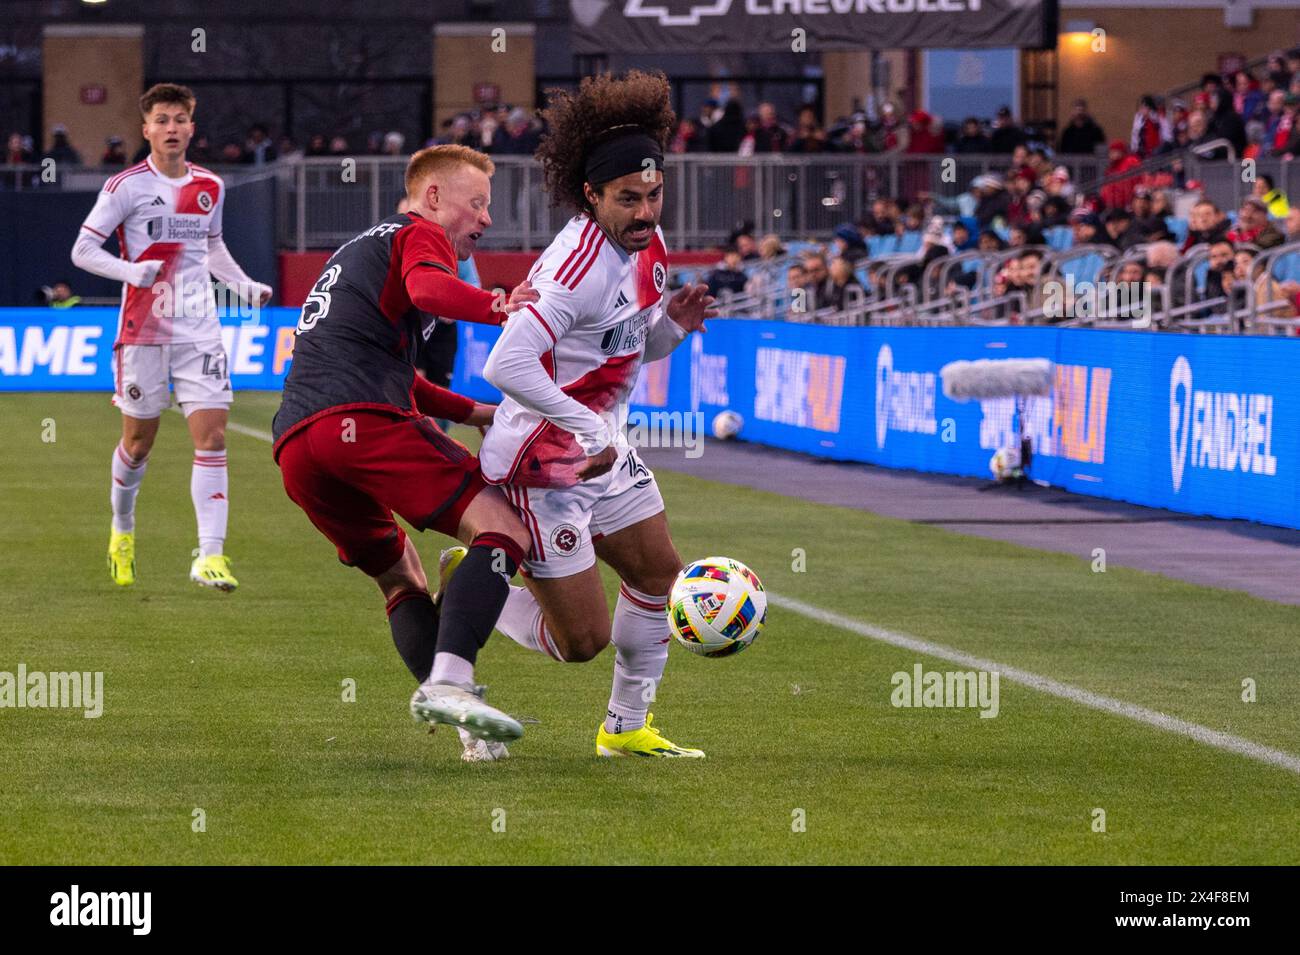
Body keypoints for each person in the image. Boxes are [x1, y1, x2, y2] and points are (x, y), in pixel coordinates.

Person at [273, 144, 542, 760]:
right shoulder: (419, 235)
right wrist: (496, 305)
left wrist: (471, 411)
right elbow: (428, 290)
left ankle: (467, 725)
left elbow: (400, 373)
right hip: (359, 422)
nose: (486, 218)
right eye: (476, 203)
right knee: (503, 525)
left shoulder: (362, 250)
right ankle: (452, 680)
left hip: (298, 447)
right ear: (432, 198)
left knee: (401, 578)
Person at [479, 70, 718, 758]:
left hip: (604, 449)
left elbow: (625, 348)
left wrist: (672, 328)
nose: (646, 212)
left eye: (654, 194)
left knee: (657, 576)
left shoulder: (649, 245)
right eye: (628, 199)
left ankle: (625, 729)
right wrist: (586, 426)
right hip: (544, 464)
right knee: (582, 642)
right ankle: (476, 573)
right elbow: (505, 365)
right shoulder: (574, 266)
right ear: (591, 195)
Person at [71, 83, 272, 592]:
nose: (172, 128)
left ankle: (210, 556)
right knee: (138, 446)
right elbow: (83, 250)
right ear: (146, 130)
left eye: (180, 119)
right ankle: (122, 529)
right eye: (162, 120)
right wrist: (129, 272)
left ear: (191, 127)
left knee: (214, 438)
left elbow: (213, 245)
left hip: (200, 330)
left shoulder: (210, 185)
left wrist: (241, 285)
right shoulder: (125, 187)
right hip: (143, 332)